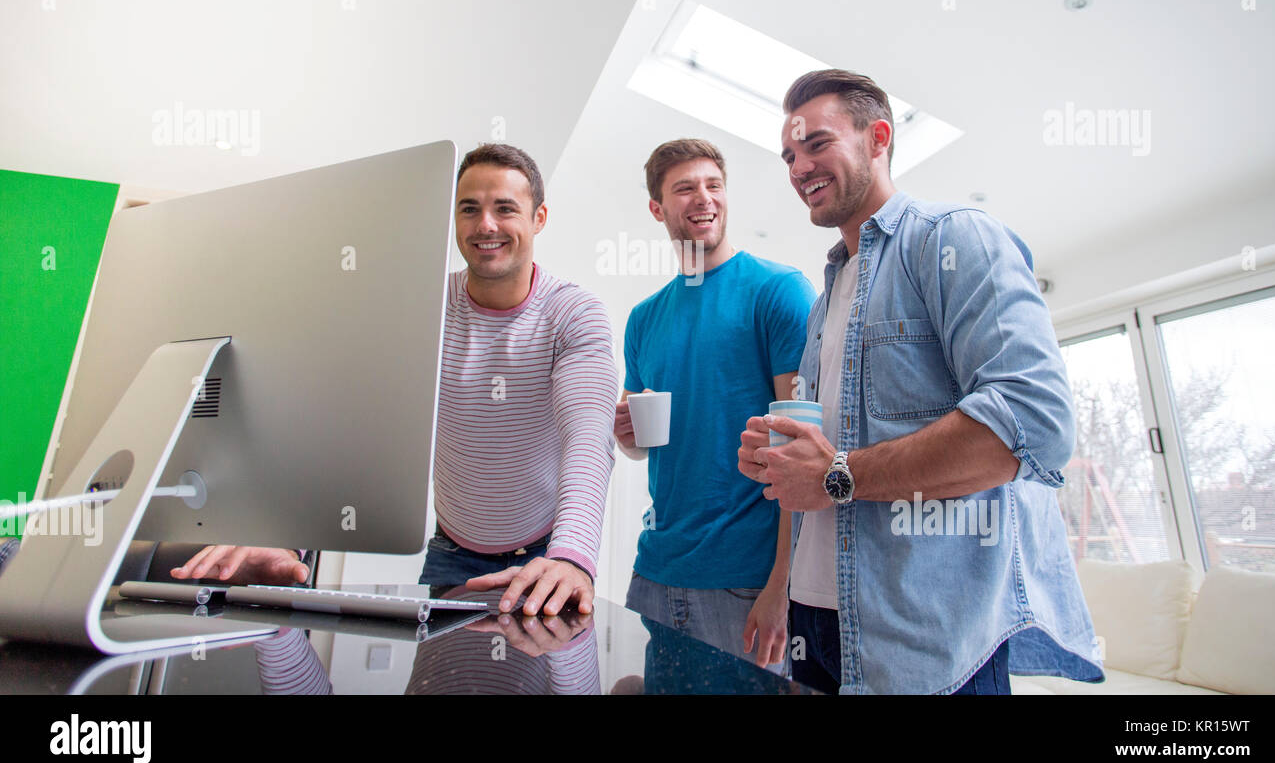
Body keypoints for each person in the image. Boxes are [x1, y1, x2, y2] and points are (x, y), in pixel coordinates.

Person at [738, 69, 1102, 694]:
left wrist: (836, 475)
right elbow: (825, 459)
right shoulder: (823, 299)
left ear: (877, 138)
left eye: (817, 144)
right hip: (818, 621)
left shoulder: (953, 237)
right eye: (789, 156)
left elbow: (1032, 423)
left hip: (928, 645)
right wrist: (783, 462)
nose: (799, 168)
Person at [175, 144, 619, 618]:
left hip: (547, 555)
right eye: (469, 209)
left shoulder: (575, 313)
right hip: (452, 554)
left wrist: (572, 556)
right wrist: (284, 536)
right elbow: (349, 424)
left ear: (539, 218)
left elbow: (588, 439)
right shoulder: (420, 305)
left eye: (505, 208)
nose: (485, 225)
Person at [615, 138, 815, 667]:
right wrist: (627, 437)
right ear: (658, 208)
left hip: (746, 586)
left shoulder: (778, 291)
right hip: (656, 574)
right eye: (685, 189)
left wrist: (783, 585)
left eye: (713, 185)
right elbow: (643, 450)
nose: (703, 198)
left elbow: (804, 452)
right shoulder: (643, 318)